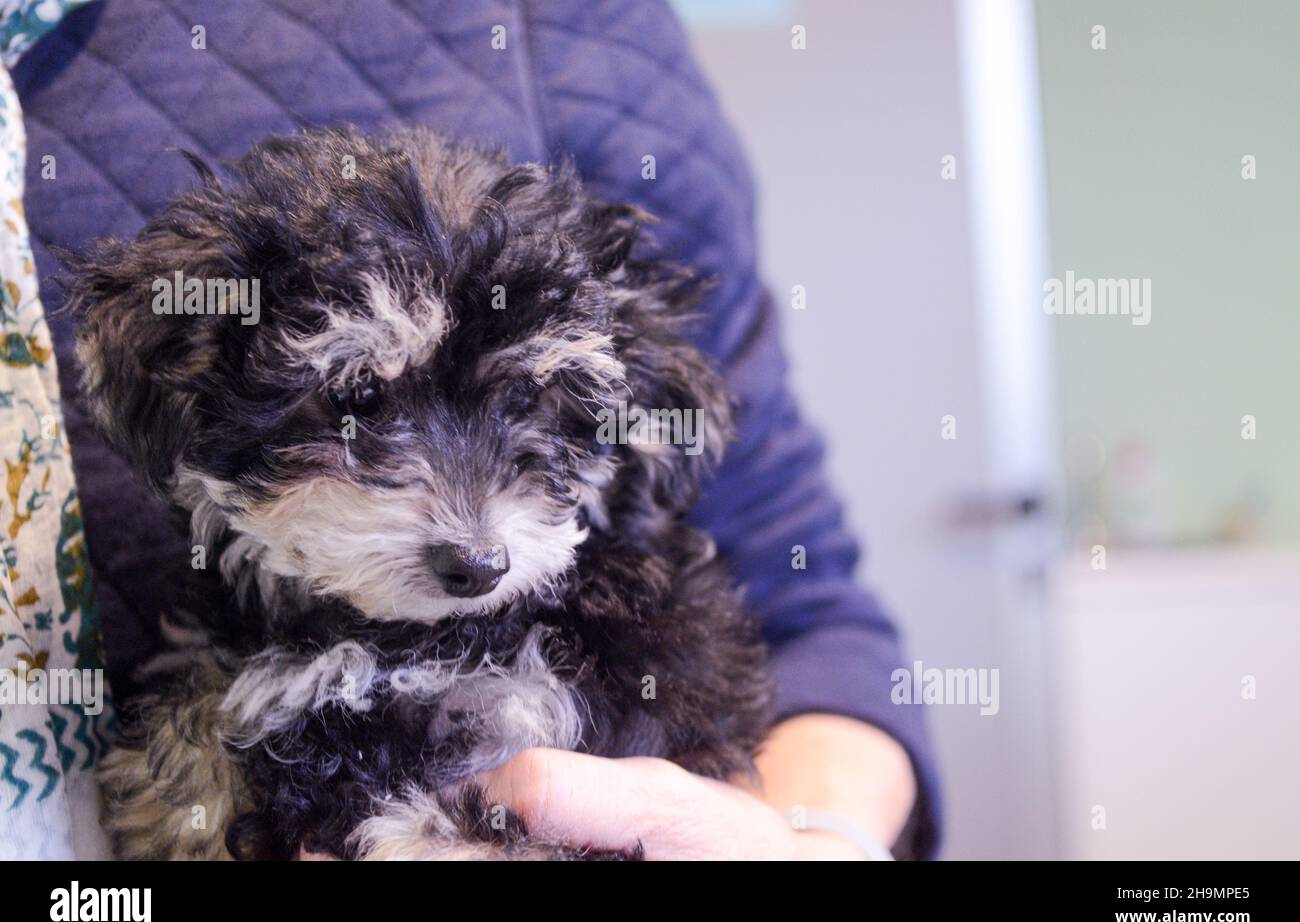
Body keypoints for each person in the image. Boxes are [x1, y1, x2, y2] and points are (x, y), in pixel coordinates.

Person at [13, 0, 940, 859]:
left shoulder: (560, 28)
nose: (475, 539)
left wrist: (814, 841)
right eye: (359, 404)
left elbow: (806, 604)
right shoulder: (229, 630)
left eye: (527, 406)